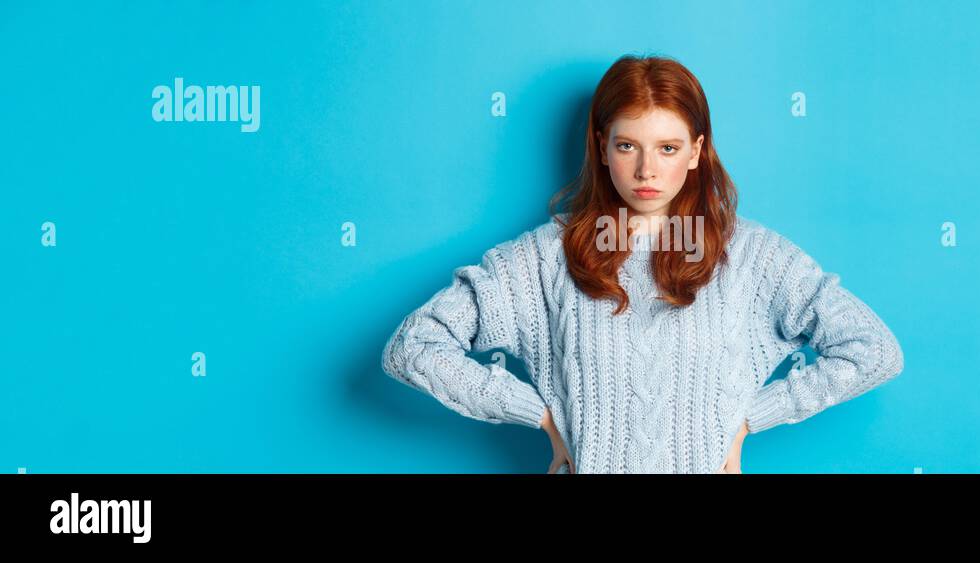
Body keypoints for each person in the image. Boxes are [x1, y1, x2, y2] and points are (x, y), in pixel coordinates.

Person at [381, 53, 904, 474]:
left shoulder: (751, 257)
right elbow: (414, 348)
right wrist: (539, 414)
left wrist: (747, 419)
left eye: (669, 147)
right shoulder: (544, 257)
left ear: (697, 151)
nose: (647, 169)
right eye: (628, 145)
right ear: (602, 148)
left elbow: (872, 350)